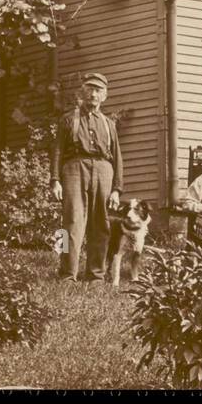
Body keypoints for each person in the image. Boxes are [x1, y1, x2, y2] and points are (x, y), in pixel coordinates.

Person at [51, 72, 123, 282]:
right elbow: (56, 151)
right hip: (74, 168)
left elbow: (117, 156)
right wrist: (55, 180)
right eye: (90, 89)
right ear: (82, 92)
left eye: (98, 90)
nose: (93, 94)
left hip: (104, 170)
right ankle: (66, 274)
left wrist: (117, 189)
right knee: (71, 222)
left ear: (105, 96)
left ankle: (96, 275)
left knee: (101, 223)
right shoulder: (68, 119)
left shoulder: (109, 124)